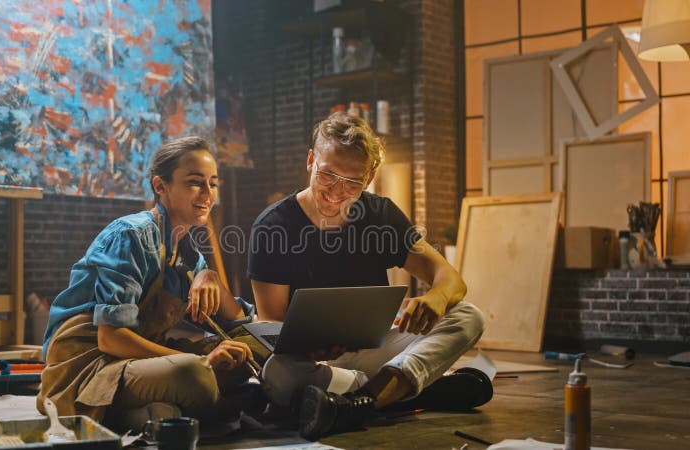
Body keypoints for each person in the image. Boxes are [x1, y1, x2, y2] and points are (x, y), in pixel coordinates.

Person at [247, 112, 490, 440]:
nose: (337, 191)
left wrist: (435, 297)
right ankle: (405, 390)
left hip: (373, 348)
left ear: (370, 176)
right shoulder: (273, 226)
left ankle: (358, 403)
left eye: (353, 182)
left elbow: (449, 277)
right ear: (310, 161)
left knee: (467, 316)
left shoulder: (380, 214)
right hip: (312, 362)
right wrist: (309, 348)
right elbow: (271, 321)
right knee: (277, 375)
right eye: (327, 175)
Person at [37, 136, 255, 430]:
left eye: (213, 184)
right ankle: (140, 415)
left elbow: (236, 320)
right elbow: (110, 338)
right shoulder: (132, 235)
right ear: (160, 186)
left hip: (137, 361)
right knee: (195, 374)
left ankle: (161, 415)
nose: (208, 194)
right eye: (195, 182)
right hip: (92, 365)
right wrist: (200, 362)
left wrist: (209, 276)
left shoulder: (188, 252)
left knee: (243, 355)